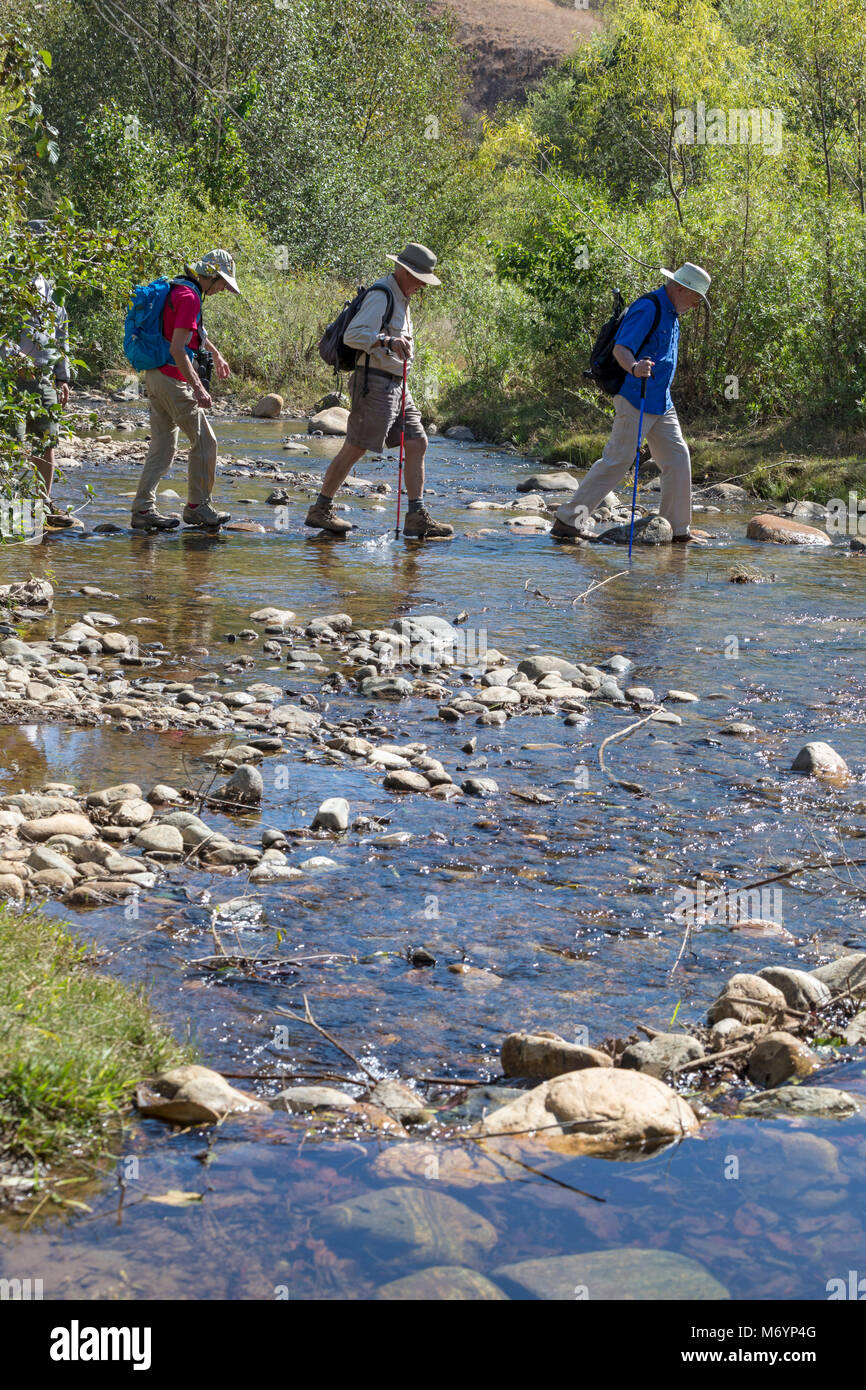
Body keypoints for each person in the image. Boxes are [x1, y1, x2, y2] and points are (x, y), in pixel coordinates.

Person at [551, 262, 711, 544]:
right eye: (695, 297)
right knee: (618, 460)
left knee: (677, 458)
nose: (696, 305)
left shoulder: (673, 312)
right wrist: (635, 367)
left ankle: (677, 530)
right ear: (680, 288)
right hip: (635, 396)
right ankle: (567, 520)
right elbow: (621, 348)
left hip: (661, 401)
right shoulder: (649, 307)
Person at [305, 242, 453, 539]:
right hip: (374, 382)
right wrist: (388, 342)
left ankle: (416, 516)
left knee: (417, 442)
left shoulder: (402, 296)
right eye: (419, 279)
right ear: (403, 270)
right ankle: (320, 509)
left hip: (398, 385)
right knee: (356, 445)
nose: (422, 286)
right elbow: (353, 335)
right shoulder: (381, 294)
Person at [131, 249, 237, 531]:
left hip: (155, 376)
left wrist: (216, 354)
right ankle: (197, 507)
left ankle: (143, 509)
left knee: (163, 447)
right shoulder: (190, 297)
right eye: (224, 283)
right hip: (171, 379)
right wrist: (199, 388)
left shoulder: (182, 289)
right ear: (212, 276)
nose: (224, 289)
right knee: (206, 442)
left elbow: (191, 333)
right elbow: (178, 349)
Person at [7, 221, 73, 525]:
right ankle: (8, 506)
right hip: (10, 379)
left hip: (45, 379)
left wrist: (63, 377)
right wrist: (13, 358)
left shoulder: (52, 290)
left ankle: (43, 503)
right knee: (10, 444)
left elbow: (62, 336)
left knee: (47, 443)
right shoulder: (8, 283)